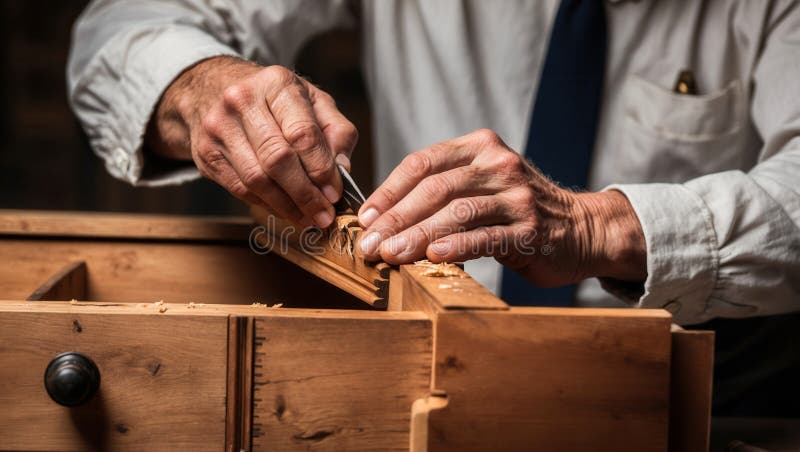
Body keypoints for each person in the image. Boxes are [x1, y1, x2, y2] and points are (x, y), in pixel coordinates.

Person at [69, 0, 799, 415]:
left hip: (712, 386)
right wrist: (203, 86)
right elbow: (122, 29)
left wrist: (597, 225)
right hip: (424, 359)